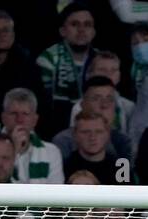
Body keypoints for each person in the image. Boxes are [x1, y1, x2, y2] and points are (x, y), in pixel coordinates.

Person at [36, 1, 95, 135]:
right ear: (62, 31)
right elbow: (45, 105)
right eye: (75, 24)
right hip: (57, 130)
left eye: (87, 25)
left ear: (93, 32)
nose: (81, 29)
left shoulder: (101, 59)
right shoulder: (47, 59)